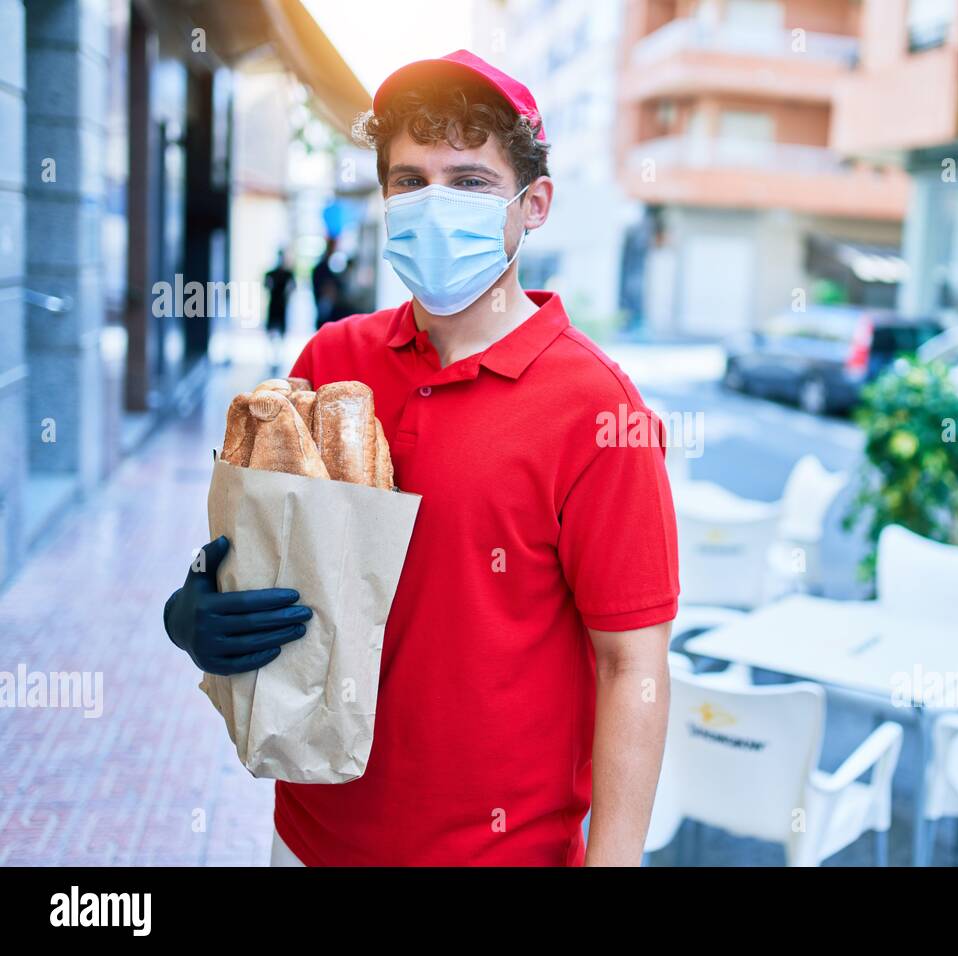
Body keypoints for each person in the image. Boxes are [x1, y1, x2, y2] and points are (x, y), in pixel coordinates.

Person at [162, 50, 680, 867]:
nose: (435, 204)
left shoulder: (599, 409)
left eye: (469, 181)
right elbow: (265, 548)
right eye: (410, 180)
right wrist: (197, 602)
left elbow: (632, 668)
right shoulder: (331, 362)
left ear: (532, 203)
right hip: (308, 836)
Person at [263, 248, 294, 368]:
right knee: (272, 329)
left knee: (281, 329)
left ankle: (278, 353)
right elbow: (266, 285)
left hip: (281, 304)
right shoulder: (272, 273)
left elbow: (293, 287)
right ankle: (273, 353)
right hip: (274, 303)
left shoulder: (287, 274)